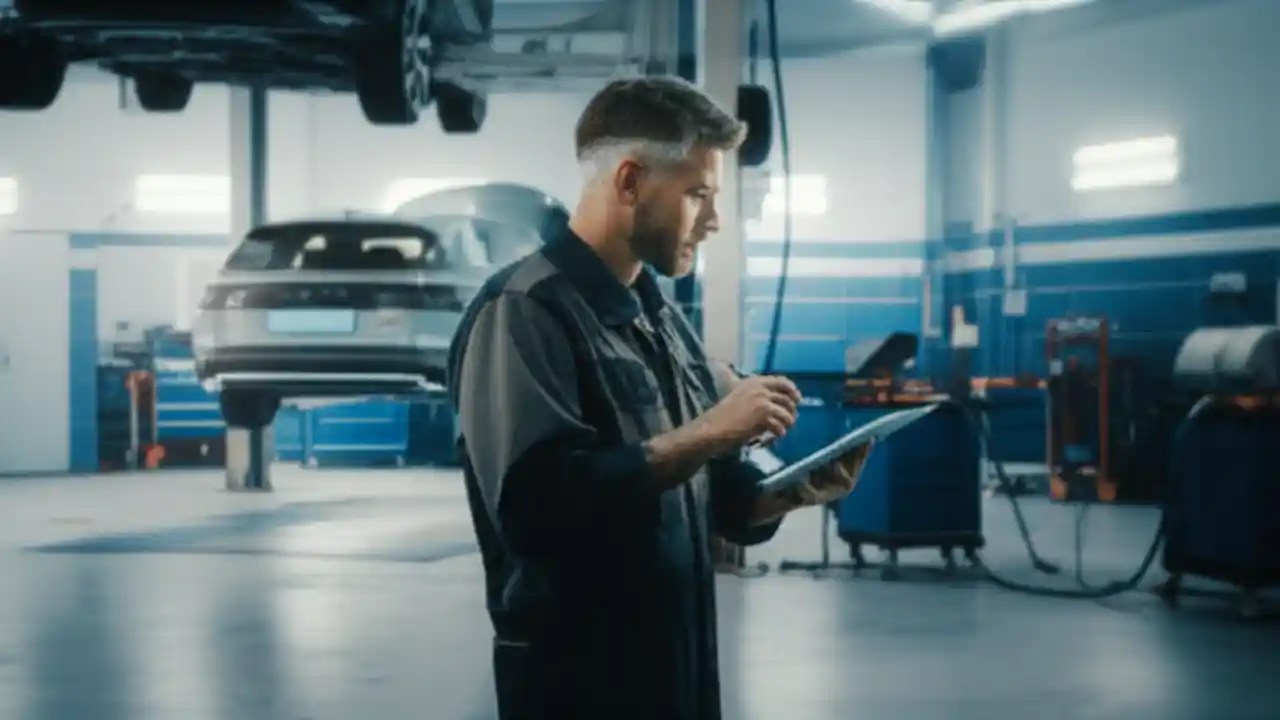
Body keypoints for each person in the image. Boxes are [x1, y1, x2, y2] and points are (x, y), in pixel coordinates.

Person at [447, 76, 873, 720]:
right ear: (629, 181)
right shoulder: (524, 312)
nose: (714, 220)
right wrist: (709, 432)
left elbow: (708, 499)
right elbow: (536, 511)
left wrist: (790, 490)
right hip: (577, 683)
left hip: (674, 664)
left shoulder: (659, 316)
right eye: (698, 194)